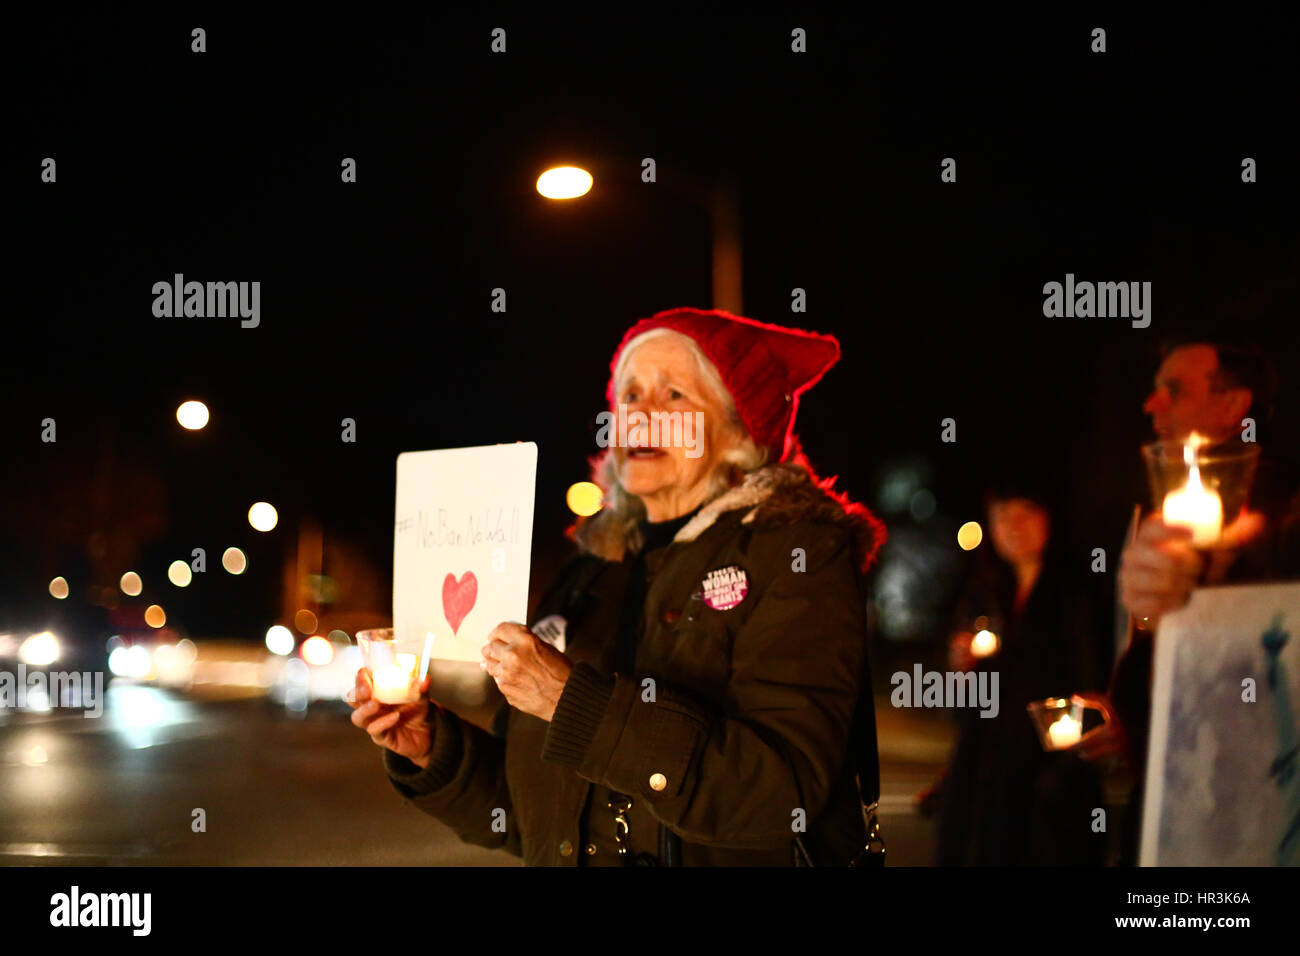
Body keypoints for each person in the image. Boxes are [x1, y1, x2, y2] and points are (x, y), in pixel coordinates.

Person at [349, 307, 887, 866]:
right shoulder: (591, 570)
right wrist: (433, 747)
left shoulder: (798, 555)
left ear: (739, 429)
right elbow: (527, 813)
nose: (641, 414)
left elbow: (780, 792)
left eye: (675, 394)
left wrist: (569, 702)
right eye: (629, 395)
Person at [1077, 334, 1300, 863]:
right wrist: (1127, 716)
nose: (1150, 404)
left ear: (1233, 405)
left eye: (1173, 390)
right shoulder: (1160, 503)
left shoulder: (1278, 505)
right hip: (1166, 783)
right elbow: (1156, 629)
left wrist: (1211, 565)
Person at [932, 480, 1110, 865]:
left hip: (1047, 776)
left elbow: (1091, 681)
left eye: (1026, 513)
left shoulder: (1075, 594)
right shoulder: (984, 592)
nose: (1013, 526)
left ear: (1050, 518)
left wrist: (1066, 763)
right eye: (1001, 515)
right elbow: (962, 707)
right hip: (983, 771)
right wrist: (961, 670)